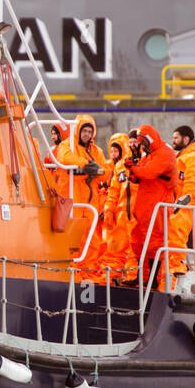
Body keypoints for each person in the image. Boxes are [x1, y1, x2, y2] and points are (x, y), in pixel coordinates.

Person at [125, 124, 177, 286]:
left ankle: (154, 280)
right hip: (144, 206)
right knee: (138, 240)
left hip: (158, 204)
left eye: (143, 143)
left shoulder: (164, 154)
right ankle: (142, 277)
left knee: (155, 241)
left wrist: (132, 167)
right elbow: (140, 173)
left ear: (149, 140)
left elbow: (148, 172)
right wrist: (133, 172)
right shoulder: (149, 154)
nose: (142, 146)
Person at [55, 114, 108, 274]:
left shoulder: (97, 151)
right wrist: (85, 164)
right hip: (72, 201)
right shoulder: (67, 145)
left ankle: (88, 272)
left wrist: (98, 170)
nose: (87, 134)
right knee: (73, 238)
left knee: (92, 240)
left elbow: (106, 173)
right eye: (84, 130)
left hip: (90, 203)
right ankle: (72, 270)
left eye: (89, 131)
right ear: (78, 131)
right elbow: (64, 158)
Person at [167, 125, 195, 290]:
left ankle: (177, 269)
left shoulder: (194, 157)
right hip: (179, 202)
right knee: (169, 230)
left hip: (188, 203)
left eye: (176, 138)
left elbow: (193, 180)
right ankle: (171, 274)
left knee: (175, 229)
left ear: (186, 139)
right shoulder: (183, 157)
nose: (173, 142)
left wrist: (186, 198)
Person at [98, 132, 138, 282]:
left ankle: (134, 279)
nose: (133, 145)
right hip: (120, 216)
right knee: (114, 249)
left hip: (137, 216)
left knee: (135, 251)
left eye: (136, 142)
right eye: (131, 142)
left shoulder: (144, 163)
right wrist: (108, 209)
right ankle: (110, 277)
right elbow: (113, 190)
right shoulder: (120, 167)